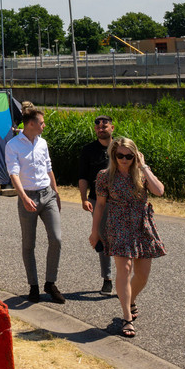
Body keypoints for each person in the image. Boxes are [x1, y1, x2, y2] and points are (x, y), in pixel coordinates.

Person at [88, 135, 166, 338]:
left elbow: (159, 191)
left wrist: (144, 167)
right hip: (118, 224)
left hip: (142, 225)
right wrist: (95, 231)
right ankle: (126, 318)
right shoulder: (105, 176)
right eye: (120, 155)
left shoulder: (141, 174)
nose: (124, 159)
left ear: (135, 156)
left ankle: (130, 300)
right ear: (113, 155)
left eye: (129, 156)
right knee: (124, 269)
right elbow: (100, 206)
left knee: (142, 276)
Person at [5, 107, 65, 304]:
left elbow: (49, 168)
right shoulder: (13, 145)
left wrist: (56, 193)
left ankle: (50, 283)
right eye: (41, 122)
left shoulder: (43, 143)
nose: (44, 125)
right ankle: (34, 286)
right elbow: (13, 173)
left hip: (47, 195)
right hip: (28, 197)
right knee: (28, 244)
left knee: (56, 239)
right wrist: (23, 197)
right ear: (31, 124)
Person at [78, 114, 115, 294]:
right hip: (97, 200)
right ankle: (107, 278)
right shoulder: (88, 150)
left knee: (122, 238)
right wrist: (84, 198)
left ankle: (125, 280)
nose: (101, 128)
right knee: (102, 238)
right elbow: (83, 176)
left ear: (112, 128)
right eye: (98, 126)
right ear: (95, 129)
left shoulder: (120, 148)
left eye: (105, 126)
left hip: (120, 202)